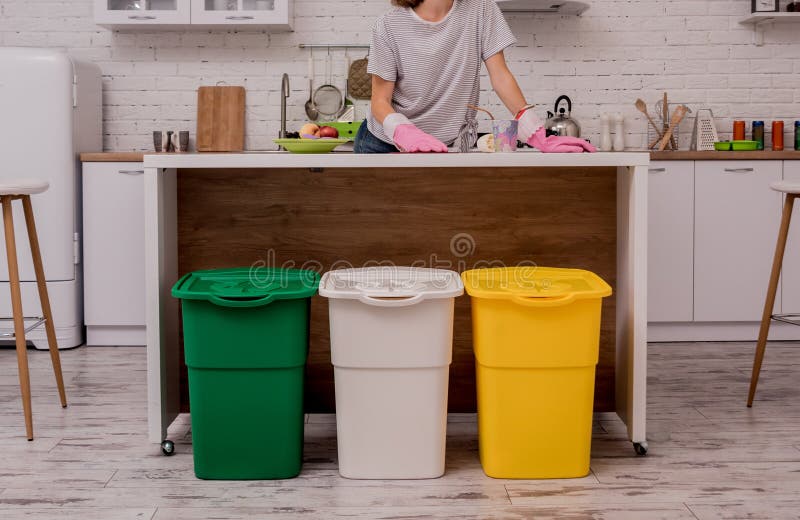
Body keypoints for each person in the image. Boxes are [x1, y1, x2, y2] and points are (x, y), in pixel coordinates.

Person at [354, 0, 596, 154]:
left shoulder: (481, 9)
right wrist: (404, 131)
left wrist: (533, 129)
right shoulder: (388, 25)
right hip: (382, 144)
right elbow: (379, 101)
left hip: (448, 146)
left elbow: (500, 75)